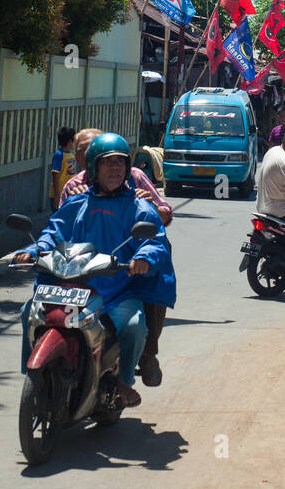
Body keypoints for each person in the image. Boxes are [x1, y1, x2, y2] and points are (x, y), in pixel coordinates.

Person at [14, 134, 171, 408]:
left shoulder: (139, 206)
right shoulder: (76, 202)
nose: (114, 169)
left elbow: (154, 240)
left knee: (134, 326)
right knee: (29, 311)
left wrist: (143, 257)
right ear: (93, 169)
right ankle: (33, 374)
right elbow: (53, 232)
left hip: (116, 290)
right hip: (72, 286)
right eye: (107, 163)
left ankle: (124, 381)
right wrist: (34, 250)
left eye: (120, 163)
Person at [59, 127, 173, 386]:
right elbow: (60, 232)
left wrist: (152, 209)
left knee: (154, 281)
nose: (113, 167)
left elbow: (164, 218)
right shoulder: (73, 189)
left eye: (117, 159)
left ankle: (147, 354)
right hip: (84, 269)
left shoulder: (136, 179)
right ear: (83, 159)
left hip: (125, 265)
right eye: (91, 153)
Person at [50, 125, 76, 203]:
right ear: (69, 141)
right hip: (60, 195)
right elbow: (55, 176)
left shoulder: (71, 155)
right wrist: (57, 197)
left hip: (69, 194)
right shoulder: (59, 155)